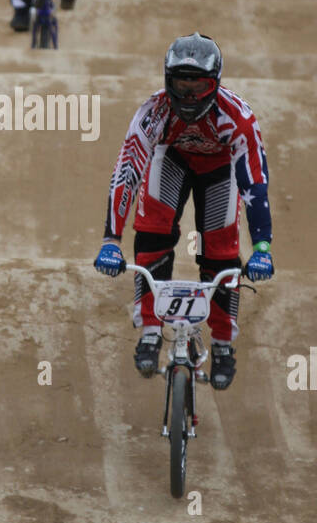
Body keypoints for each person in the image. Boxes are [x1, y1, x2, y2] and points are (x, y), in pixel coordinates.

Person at [93, 34, 274, 390]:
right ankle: (149, 330)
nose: (189, 95)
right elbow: (127, 170)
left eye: (199, 85)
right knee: (152, 230)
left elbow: (254, 183)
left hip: (219, 167)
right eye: (181, 84)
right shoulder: (153, 112)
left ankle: (223, 343)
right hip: (172, 157)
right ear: (167, 80)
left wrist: (263, 248)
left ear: (215, 83)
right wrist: (111, 239)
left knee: (221, 250)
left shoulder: (238, 117)